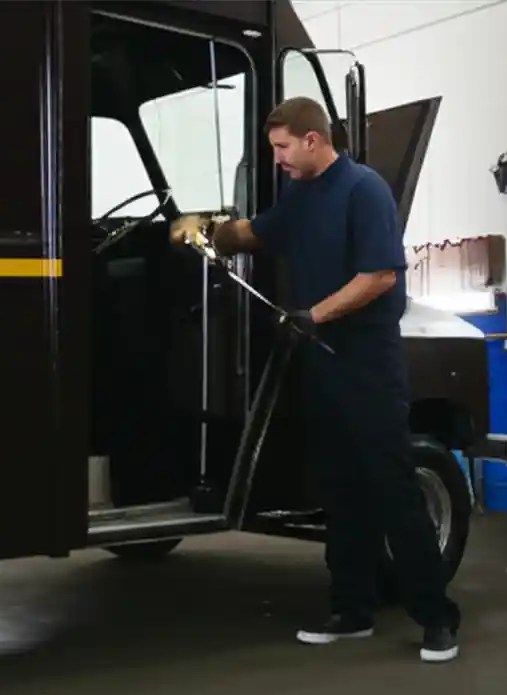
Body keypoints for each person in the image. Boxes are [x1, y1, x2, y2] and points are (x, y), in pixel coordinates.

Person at [172, 96, 461, 663]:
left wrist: (316, 315)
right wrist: (206, 231)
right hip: (321, 366)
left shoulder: (364, 189)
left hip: (366, 365)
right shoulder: (301, 197)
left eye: (282, 148)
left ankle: (437, 618)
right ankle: (352, 611)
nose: (276, 158)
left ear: (312, 140)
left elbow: (379, 275)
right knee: (341, 494)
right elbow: (258, 232)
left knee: (393, 491)